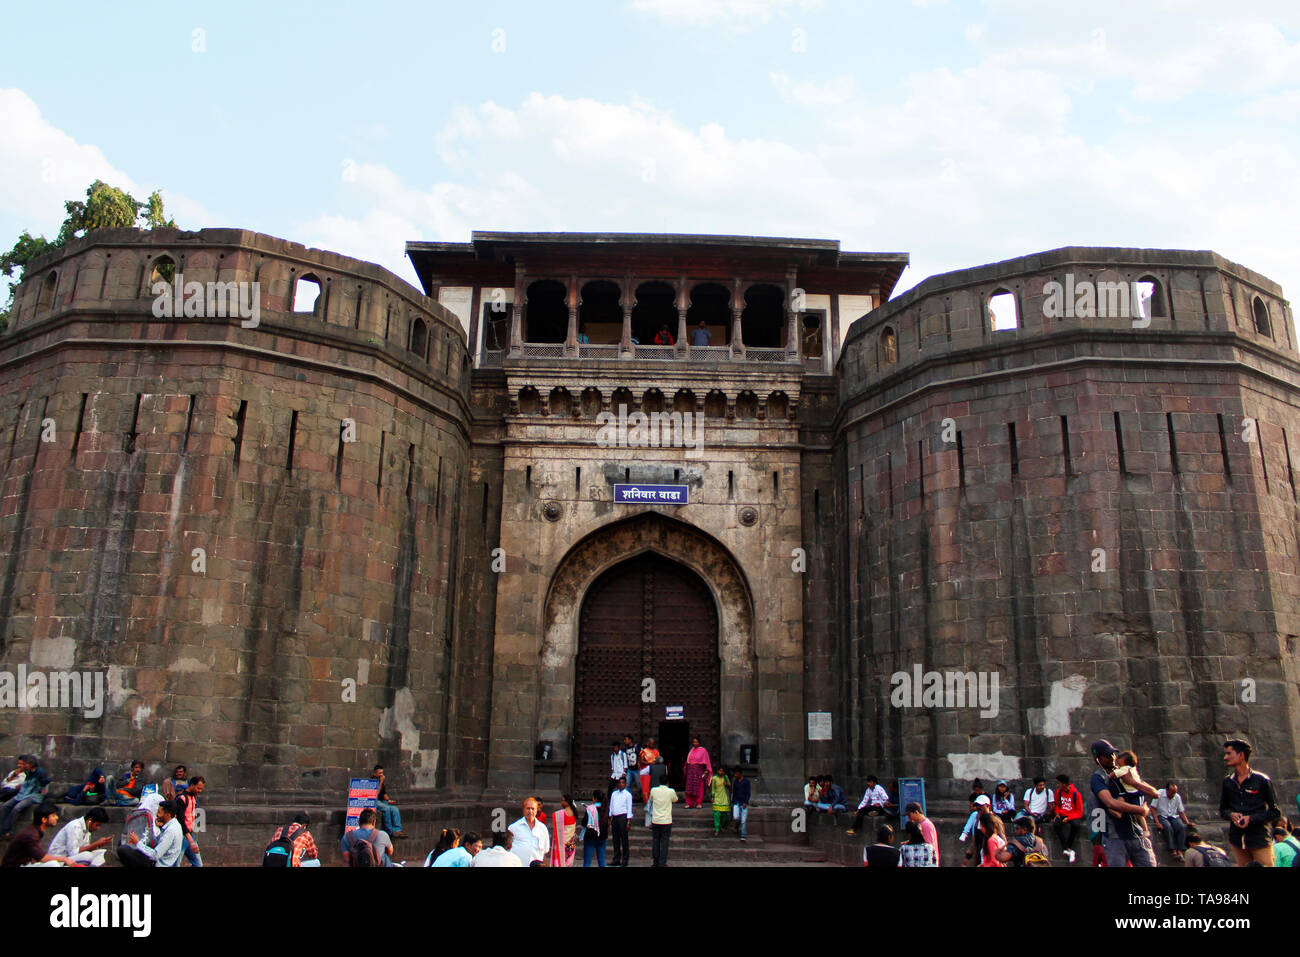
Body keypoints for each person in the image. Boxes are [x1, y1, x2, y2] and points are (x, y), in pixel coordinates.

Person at [1089, 739, 1156, 867]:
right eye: (1107, 756)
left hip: (1137, 835)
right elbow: (1110, 803)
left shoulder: (1126, 772)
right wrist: (1141, 810)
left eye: (1113, 754)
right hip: (1115, 838)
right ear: (1097, 759)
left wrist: (1134, 782)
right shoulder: (1099, 778)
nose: (1112, 758)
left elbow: (1154, 793)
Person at [1218, 737, 1281, 866]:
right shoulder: (1227, 782)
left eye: (1229, 753)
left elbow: (1275, 812)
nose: (1225, 757)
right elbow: (1223, 810)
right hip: (1237, 839)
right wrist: (1231, 815)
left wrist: (1251, 818)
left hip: (1259, 839)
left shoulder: (1262, 780)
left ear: (1241, 755)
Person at [1, 802, 76, 867]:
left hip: (25, 864)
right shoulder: (31, 835)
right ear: (44, 819)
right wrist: (65, 859)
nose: (57, 818)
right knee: (53, 864)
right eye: (53, 815)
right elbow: (42, 858)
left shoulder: (34, 830)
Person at [120, 799, 184, 868]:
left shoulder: (171, 831)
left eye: (159, 812)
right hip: (156, 858)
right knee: (124, 843)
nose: (157, 815)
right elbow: (157, 842)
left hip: (157, 863)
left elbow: (155, 855)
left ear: (167, 815)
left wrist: (137, 842)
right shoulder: (173, 823)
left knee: (123, 849)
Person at [48, 806, 113, 866]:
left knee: (103, 852)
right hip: (59, 859)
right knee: (88, 856)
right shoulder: (75, 826)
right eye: (97, 825)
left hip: (71, 857)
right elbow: (73, 853)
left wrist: (98, 845)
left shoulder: (87, 829)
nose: (98, 828)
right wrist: (96, 844)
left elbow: (84, 849)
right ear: (89, 821)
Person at [0, 757, 49, 836]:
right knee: (5, 806)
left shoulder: (40, 773)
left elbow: (43, 787)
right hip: (23, 794)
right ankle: (2, 828)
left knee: (17, 808)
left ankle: (7, 830)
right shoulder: (27, 773)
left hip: (33, 796)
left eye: (25, 764)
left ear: (30, 764)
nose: (23, 766)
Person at [1154, 782, 1192, 862]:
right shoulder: (1159, 793)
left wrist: (1187, 822)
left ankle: (1180, 851)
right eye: (1172, 792)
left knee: (1181, 827)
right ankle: (1173, 850)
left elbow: (1181, 811)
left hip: (1173, 816)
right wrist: (1157, 822)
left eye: (1175, 792)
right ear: (1167, 790)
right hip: (1162, 815)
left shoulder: (1177, 797)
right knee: (1167, 827)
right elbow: (1153, 808)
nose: (1173, 794)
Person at [1051, 773, 1085, 862]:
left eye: (1059, 783)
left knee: (1075, 825)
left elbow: (1079, 812)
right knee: (1056, 825)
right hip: (1062, 814)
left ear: (1064, 784)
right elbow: (1057, 805)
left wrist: (1069, 818)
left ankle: (1068, 847)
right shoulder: (1058, 792)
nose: (1057, 785)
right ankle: (1067, 848)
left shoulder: (1076, 794)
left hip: (1073, 814)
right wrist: (1057, 813)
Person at [509, 796, 550, 866]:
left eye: (533, 809)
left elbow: (545, 852)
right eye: (528, 808)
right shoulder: (514, 828)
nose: (530, 811)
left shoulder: (543, 829)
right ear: (523, 810)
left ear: (537, 810)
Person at [174, 775, 205, 866]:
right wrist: (190, 840)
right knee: (175, 863)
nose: (199, 791)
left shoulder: (193, 798)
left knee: (198, 864)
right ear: (191, 785)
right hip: (181, 836)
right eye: (198, 788)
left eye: (201, 789)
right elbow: (180, 820)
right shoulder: (181, 798)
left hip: (189, 835)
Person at [648, 772, 678, 866]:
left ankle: (655, 861)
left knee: (656, 841)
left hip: (656, 820)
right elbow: (675, 799)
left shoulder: (654, 790)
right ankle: (662, 862)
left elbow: (651, 799)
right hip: (666, 820)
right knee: (665, 842)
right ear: (667, 782)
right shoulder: (671, 791)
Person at [374, 764, 404, 838]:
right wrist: (380, 782)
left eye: (382, 773)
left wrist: (388, 800)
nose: (381, 775)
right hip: (374, 800)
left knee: (394, 809)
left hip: (382, 801)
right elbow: (375, 794)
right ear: (375, 773)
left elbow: (384, 794)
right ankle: (390, 830)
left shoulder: (382, 781)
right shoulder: (373, 781)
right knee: (386, 809)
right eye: (379, 773)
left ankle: (398, 829)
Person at [609, 776, 633, 866]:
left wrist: (629, 821)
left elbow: (629, 808)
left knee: (624, 840)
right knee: (615, 840)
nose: (621, 784)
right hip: (615, 817)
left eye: (623, 783)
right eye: (619, 783)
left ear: (625, 784)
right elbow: (611, 806)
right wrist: (610, 817)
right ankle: (616, 859)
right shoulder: (614, 794)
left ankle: (625, 860)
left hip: (623, 817)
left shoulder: (628, 795)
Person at [582, 789, 608, 867]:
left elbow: (584, 823)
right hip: (602, 837)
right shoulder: (606, 808)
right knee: (602, 862)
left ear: (595, 799)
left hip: (590, 837)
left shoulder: (590, 809)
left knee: (587, 862)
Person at [550, 794, 578, 867]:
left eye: (562, 800)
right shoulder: (574, 811)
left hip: (561, 842)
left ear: (567, 802)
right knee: (568, 862)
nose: (561, 802)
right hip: (571, 842)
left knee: (560, 862)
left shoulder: (560, 814)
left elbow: (556, 829)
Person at [684, 737, 711, 808]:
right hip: (691, 772)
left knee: (699, 788)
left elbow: (706, 762)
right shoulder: (691, 751)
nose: (695, 743)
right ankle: (689, 803)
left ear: (699, 743)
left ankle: (698, 803)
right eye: (693, 742)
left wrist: (706, 772)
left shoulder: (703, 751)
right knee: (689, 787)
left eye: (696, 742)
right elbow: (688, 762)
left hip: (699, 772)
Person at [710, 765, 731, 836]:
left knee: (724, 814)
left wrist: (726, 784)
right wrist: (712, 797)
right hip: (717, 797)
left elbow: (730, 785)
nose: (721, 772)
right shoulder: (714, 778)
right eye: (720, 770)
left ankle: (721, 825)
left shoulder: (725, 778)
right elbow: (713, 788)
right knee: (716, 814)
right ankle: (717, 829)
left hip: (724, 797)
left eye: (722, 771)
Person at [732, 768, 751, 841]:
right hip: (736, 802)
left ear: (740, 774)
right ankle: (736, 827)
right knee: (736, 817)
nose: (735, 775)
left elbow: (748, 792)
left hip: (743, 802)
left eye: (736, 774)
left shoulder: (746, 782)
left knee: (743, 819)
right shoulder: (735, 782)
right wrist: (733, 802)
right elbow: (734, 792)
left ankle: (743, 835)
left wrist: (746, 802)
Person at [638, 738, 660, 803]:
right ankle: (647, 804)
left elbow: (658, 760)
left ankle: (655, 803)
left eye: (654, 743)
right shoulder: (643, 751)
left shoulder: (656, 751)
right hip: (645, 772)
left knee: (654, 788)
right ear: (648, 743)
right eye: (651, 743)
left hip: (654, 771)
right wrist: (649, 763)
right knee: (646, 788)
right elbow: (641, 761)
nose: (653, 745)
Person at [621, 736, 640, 803]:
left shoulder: (637, 747)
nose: (624, 741)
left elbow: (641, 754)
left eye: (626, 739)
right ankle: (630, 798)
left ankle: (643, 798)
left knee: (640, 785)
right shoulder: (625, 749)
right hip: (629, 769)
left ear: (630, 740)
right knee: (627, 785)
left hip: (637, 769)